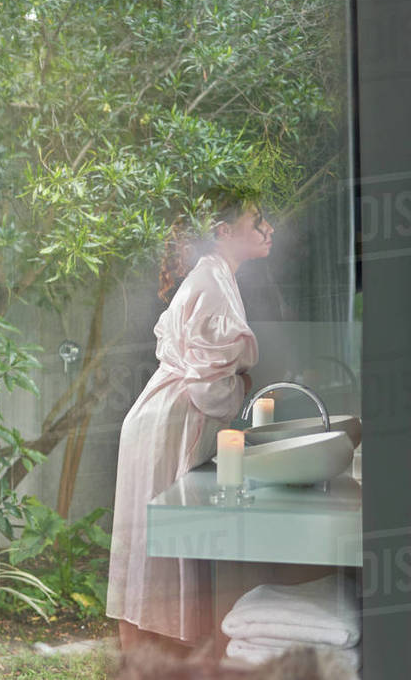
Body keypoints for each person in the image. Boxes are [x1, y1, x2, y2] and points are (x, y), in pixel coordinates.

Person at [105, 187, 275, 651]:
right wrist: (242, 386)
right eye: (257, 221)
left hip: (159, 416)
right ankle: (158, 661)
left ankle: (146, 661)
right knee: (161, 546)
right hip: (172, 420)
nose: (268, 229)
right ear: (222, 232)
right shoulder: (213, 278)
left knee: (148, 549)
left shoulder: (215, 274)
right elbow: (209, 386)